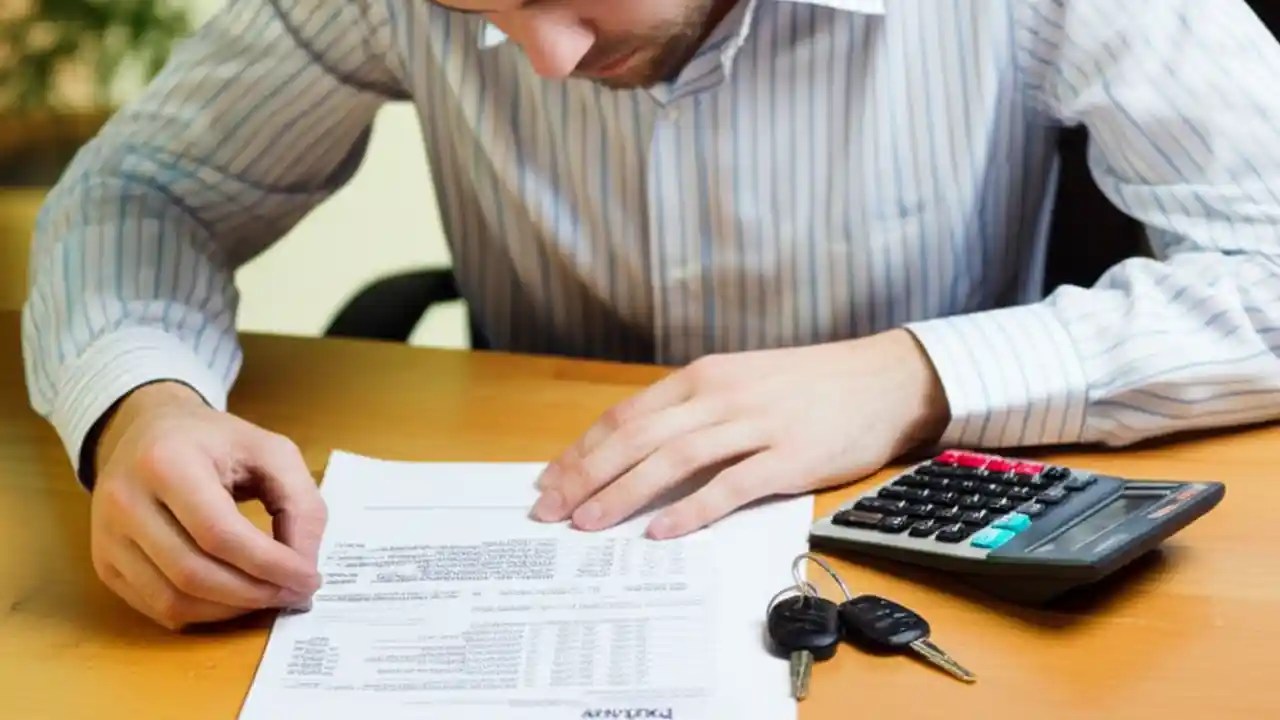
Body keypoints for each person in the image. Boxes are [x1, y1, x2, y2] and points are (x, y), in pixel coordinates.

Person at [21, 0, 1280, 630]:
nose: (546, 59)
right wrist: (138, 397)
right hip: (553, 549)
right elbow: (148, 187)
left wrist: (914, 374)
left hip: (919, 566)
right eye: (481, 11)